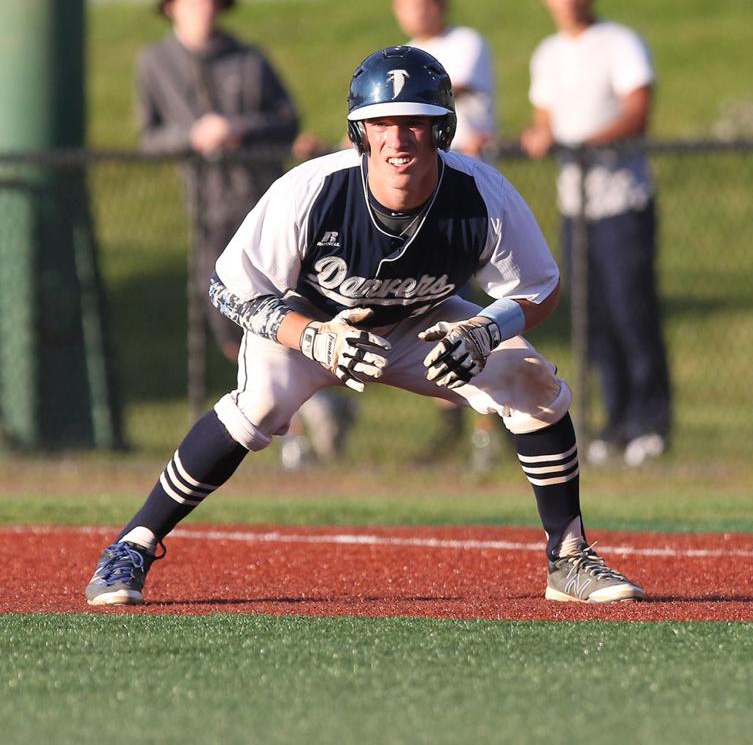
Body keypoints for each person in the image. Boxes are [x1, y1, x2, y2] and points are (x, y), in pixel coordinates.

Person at [85, 45, 645, 606]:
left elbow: (539, 289)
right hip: (313, 322)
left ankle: (568, 559)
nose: (397, 140)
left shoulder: (481, 193)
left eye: (414, 123)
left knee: (529, 379)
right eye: (380, 123)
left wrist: (487, 329)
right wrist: (310, 334)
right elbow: (228, 288)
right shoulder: (314, 190)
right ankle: (133, 544)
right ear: (359, 132)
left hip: (424, 321)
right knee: (257, 405)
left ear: (441, 129)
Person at [135, 0, 355, 465]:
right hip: (208, 207)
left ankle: (297, 429)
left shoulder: (249, 58)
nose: (203, 8)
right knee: (230, 320)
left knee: (283, 307)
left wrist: (235, 128)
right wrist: (192, 136)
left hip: (261, 201)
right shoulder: (154, 62)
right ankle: (314, 408)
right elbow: (148, 136)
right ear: (172, 6)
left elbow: (285, 117)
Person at [521, 0, 671, 468]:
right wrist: (541, 138)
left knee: (633, 312)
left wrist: (583, 143)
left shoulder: (620, 43)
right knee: (593, 317)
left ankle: (651, 422)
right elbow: (545, 120)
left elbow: (638, 111)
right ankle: (613, 421)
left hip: (621, 202)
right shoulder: (547, 54)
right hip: (575, 205)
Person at [390, 0, 501, 468]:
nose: (416, 10)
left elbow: (448, 89)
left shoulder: (465, 43)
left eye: (423, 0)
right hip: (419, 202)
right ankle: (451, 423)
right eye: (406, 1)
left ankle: (488, 424)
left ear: (441, 1)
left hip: (465, 197)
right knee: (433, 311)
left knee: (479, 312)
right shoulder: (401, 56)